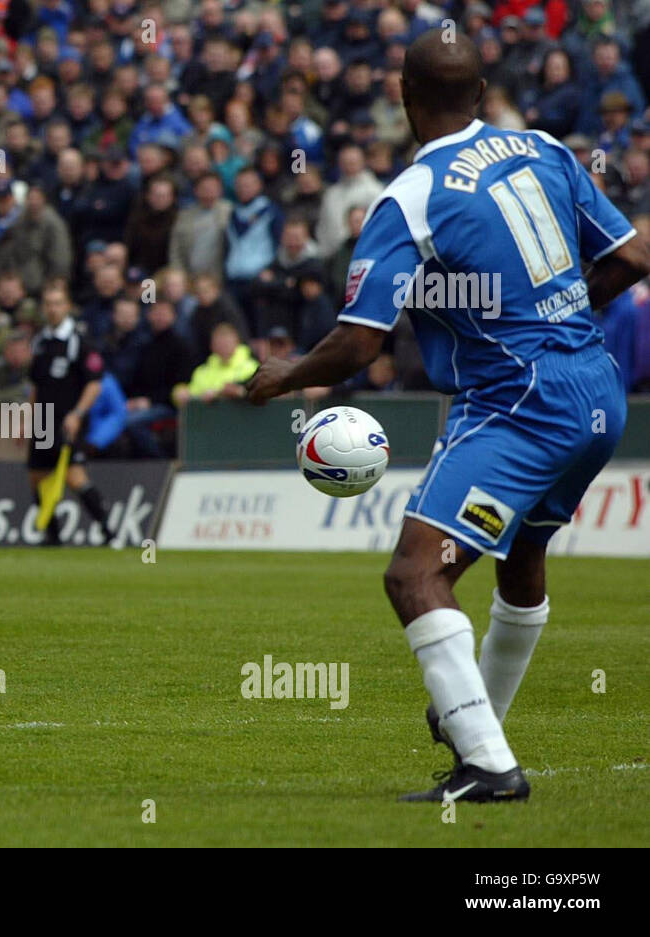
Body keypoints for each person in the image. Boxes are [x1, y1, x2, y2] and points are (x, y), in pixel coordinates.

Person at [248, 31, 650, 803]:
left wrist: (288, 374)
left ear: (404, 97)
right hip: (598, 390)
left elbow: (361, 342)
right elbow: (633, 259)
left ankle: (490, 766)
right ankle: (479, 728)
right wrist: (560, 315)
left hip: (516, 402)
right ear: (484, 86)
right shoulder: (543, 146)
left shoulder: (412, 195)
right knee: (522, 560)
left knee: (414, 573)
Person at [28, 281, 116, 547]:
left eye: (58, 303)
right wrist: (27, 419)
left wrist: (78, 413)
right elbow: (35, 385)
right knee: (38, 475)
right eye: (48, 304)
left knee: (74, 474)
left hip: (68, 419)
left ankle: (108, 530)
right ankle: (53, 536)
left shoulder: (80, 340)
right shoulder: (40, 341)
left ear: (67, 307)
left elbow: (94, 382)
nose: (53, 309)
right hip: (43, 419)